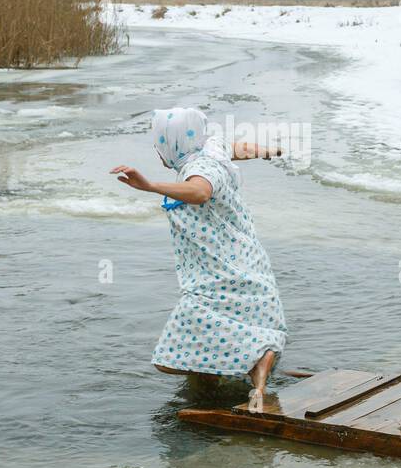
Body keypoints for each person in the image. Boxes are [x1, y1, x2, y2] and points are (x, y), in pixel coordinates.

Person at [111, 107, 287, 411]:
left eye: (159, 144)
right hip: (245, 258)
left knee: (170, 358)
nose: (157, 151)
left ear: (171, 143)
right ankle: (254, 369)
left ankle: (247, 364)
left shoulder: (201, 169)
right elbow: (237, 148)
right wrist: (270, 151)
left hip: (218, 269)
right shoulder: (210, 148)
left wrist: (150, 186)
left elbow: (200, 191)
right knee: (223, 329)